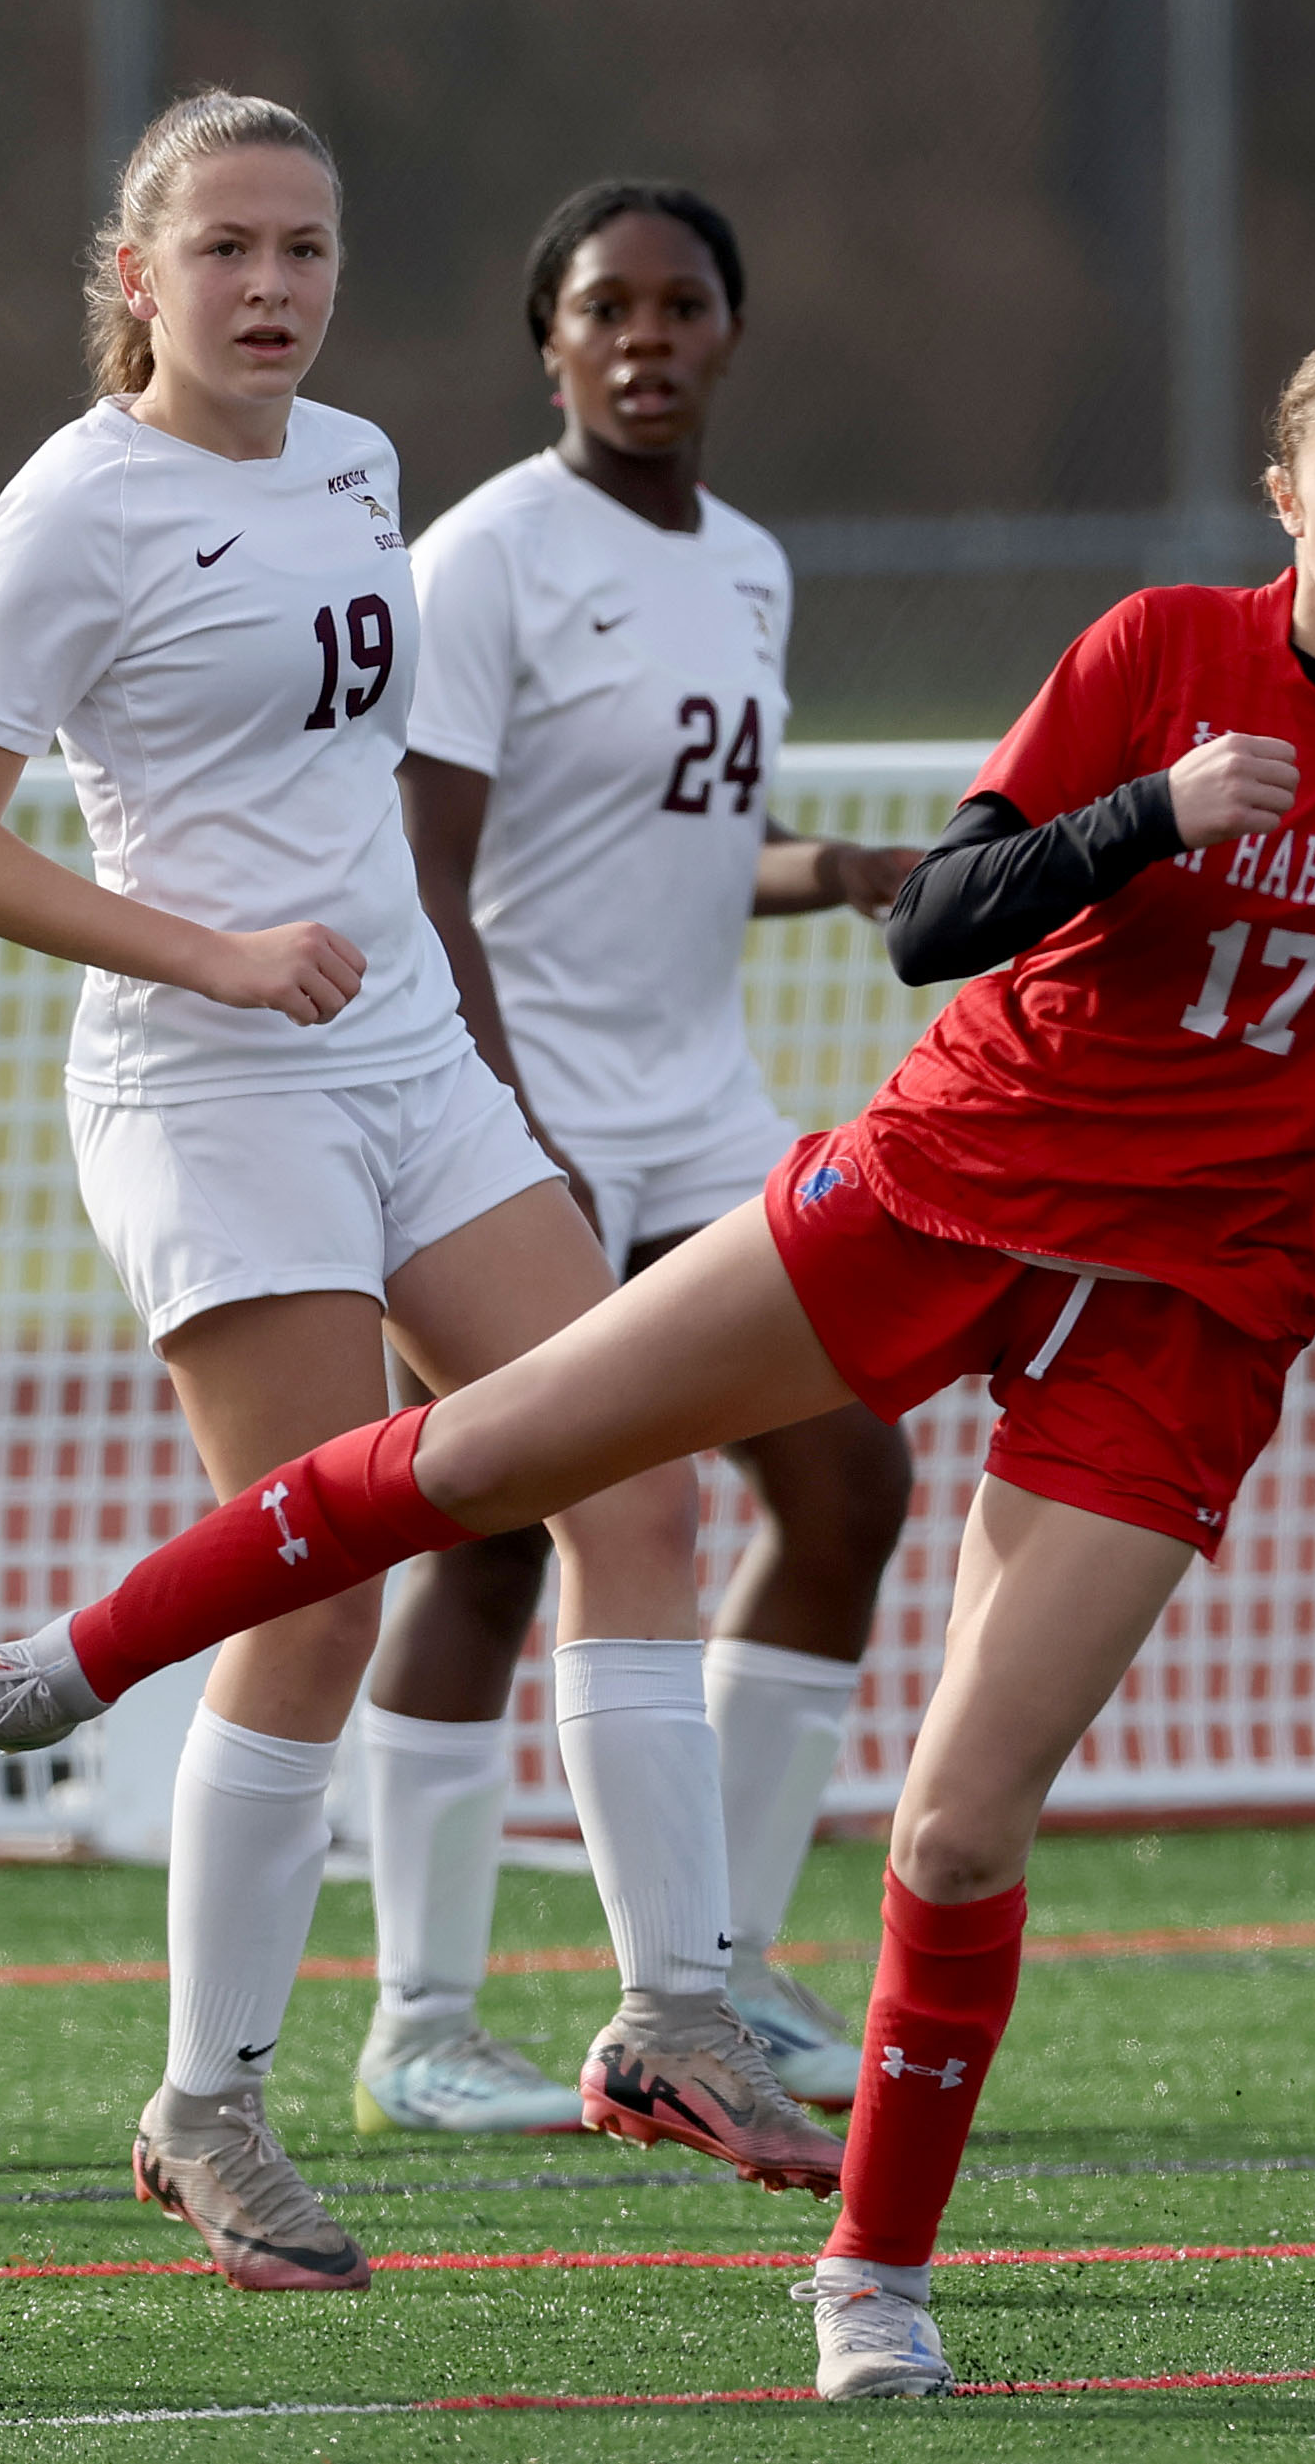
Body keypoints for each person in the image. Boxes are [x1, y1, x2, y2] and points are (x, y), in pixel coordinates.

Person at [0, 312, 1315, 2393]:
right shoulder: (1160, 650)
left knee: (960, 1830)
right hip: (943, 1186)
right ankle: (64, 1663)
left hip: (1196, 1306)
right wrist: (1146, 814)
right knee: (479, 1457)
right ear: (1286, 491)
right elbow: (936, 917)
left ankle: (869, 2280)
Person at [0, 90, 840, 2296]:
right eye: (223, 249)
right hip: (213, 1082)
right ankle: (207, 2104)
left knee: (639, 1489)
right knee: (314, 1588)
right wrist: (209, 946)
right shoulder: (74, 509)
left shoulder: (359, 460)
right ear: (138, 278)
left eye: (302, 246)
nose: (272, 286)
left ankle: (675, 2012)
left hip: (403, 1055)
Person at [392, 178, 920, 2109]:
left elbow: (667, 844)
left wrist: (833, 870)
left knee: (849, 1490)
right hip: (514, 1118)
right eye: (604, 305)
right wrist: (495, 1116)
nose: (644, 336)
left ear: (728, 332)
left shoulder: (752, 564)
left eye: (680, 303)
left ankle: (728, 1962)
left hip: (702, 1114)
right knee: (487, 1544)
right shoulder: (483, 558)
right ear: (549, 338)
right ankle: (424, 2029)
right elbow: (427, 869)